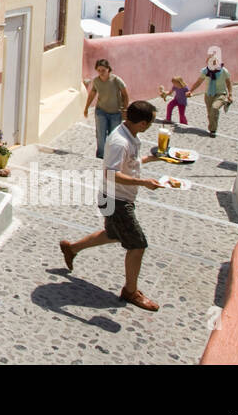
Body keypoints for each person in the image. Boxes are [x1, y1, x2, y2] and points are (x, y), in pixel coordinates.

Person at [59, 100, 163, 311]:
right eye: (151, 121)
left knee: (113, 234)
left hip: (117, 198)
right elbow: (112, 173)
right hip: (116, 200)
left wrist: (152, 158)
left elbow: (130, 162)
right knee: (138, 245)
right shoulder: (119, 141)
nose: (151, 124)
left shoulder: (130, 136)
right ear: (143, 123)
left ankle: (72, 248)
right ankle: (130, 291)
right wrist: (143, 183)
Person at [83, 58, 130, 159]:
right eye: (99, 70)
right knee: (100, 135)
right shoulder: (96, 81)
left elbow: (125, 95)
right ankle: (100, 155)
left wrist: (125, 109)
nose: (101, 73)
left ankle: (112, 156)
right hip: (101, 111)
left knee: (113, 135)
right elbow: (92, 94)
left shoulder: (116, 80)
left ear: (108, 69)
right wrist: (86, 107)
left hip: (115, 113)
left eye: (103, 70)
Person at [189, 47, 232, 136]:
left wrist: (230, 94)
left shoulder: (223, 71)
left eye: (214, 62)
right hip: (208, 94)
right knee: (210, 114)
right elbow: (199, 82)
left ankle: (213, 130)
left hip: (221, 94)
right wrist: (191, 91)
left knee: (214, 108)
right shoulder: (205, 71)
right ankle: (212, 127)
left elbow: (228, 83)